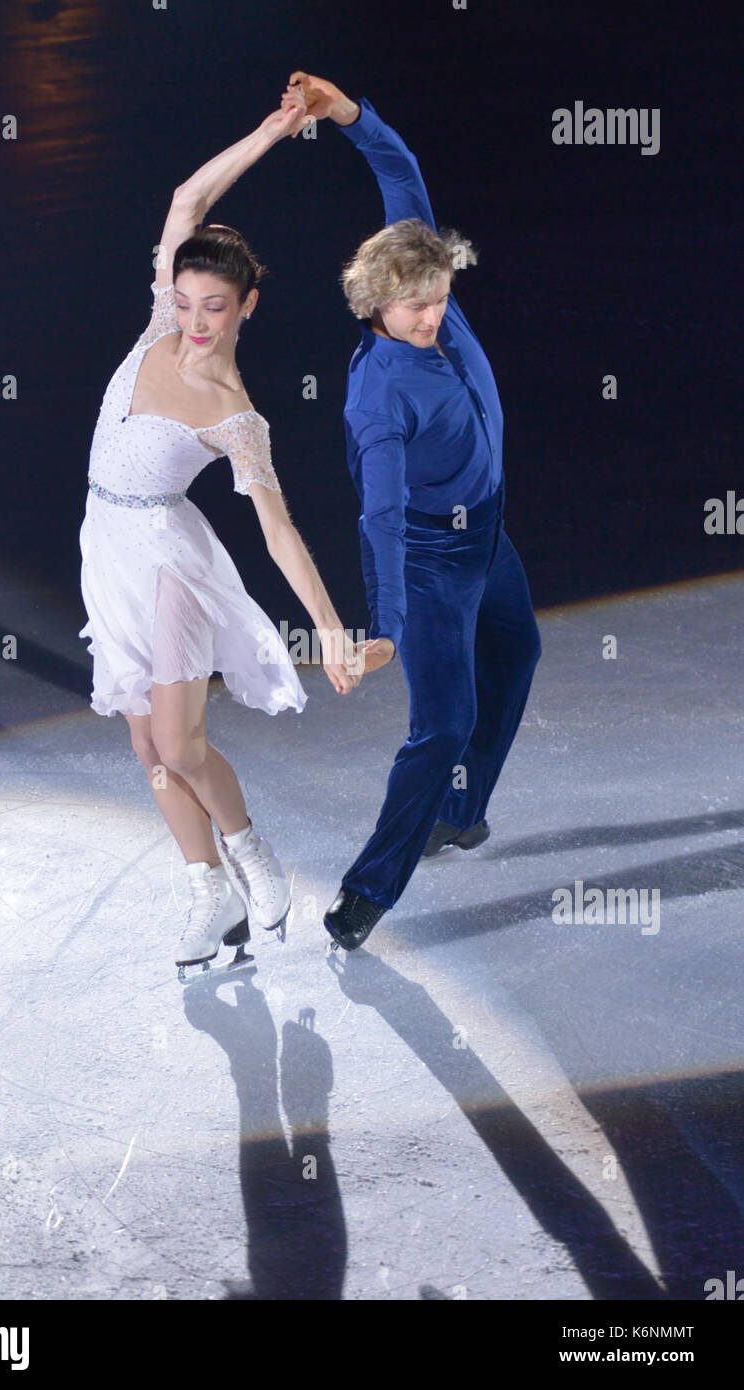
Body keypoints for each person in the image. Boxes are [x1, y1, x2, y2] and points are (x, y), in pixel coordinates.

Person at [78, 88, 366, 976]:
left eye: (216, 307)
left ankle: (249, 849)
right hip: (106, 550)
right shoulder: (161, 322)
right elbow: (187, 204)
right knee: (143, 745)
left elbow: (278, 531)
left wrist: (327, 629)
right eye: (187, 299)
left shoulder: (232, 413)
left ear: (247, 309)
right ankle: (212, 898)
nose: (196, 321)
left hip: (169, 564)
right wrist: (278, 130)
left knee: (179, 744)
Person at [282, 73, 542, 951]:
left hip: (489, 535)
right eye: (416, 305)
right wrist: (385, 620)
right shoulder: (377, 401)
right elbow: (380, 519)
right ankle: (366, 893)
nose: (433, 316)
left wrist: (346, 111)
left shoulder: (428, 289)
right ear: (376, 305)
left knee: (519, 649)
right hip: (431, 560)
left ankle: (462, 813)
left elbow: (401, 171)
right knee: (443, 726)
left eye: (438, 297)